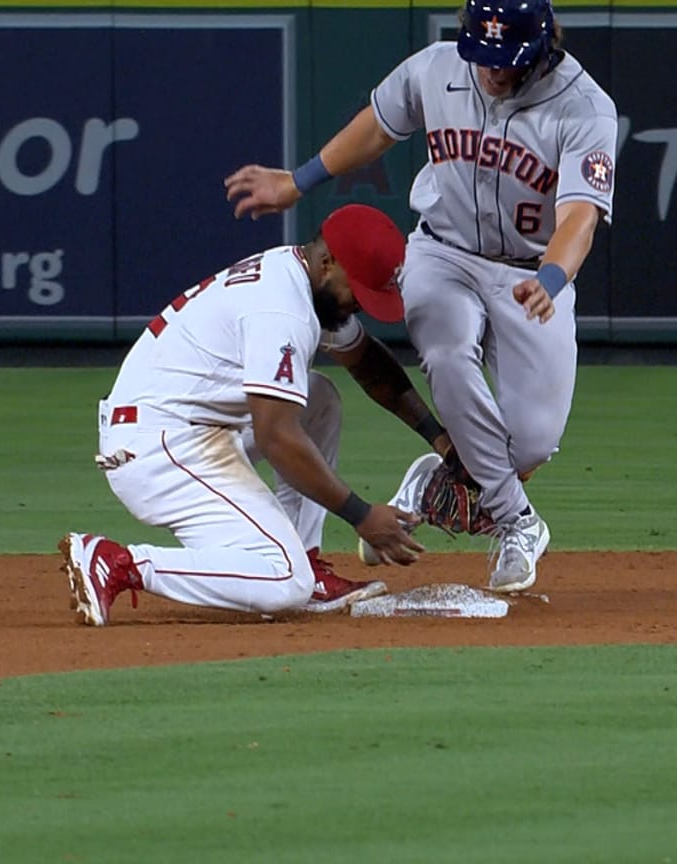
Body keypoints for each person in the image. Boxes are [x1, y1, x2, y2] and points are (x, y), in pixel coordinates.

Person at [223, 0, 617, 593]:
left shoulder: (584, 107)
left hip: (532, 270)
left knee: (532, 440)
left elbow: (581, 215)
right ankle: (517, 522)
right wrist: (297, 180)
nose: (490, 71)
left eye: (504, 61)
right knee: (447, 349)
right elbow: (379, 126)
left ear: (542, 49)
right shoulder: (436, 68)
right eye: (481, 56)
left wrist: (555, 278)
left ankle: (439, 481)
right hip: (442, 250)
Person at [60, 204, 459, 625]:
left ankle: (307, 561)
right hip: (159, 449)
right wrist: (361, 515)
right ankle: (120, 563)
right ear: (327, 263)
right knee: (286, 583)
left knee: (319, 397)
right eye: (357, 292)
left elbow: (367, 364)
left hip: (185, 426)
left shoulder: (298, 275)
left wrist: (439, 438)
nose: (359, 304)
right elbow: (276, 438)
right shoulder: (280, 309)